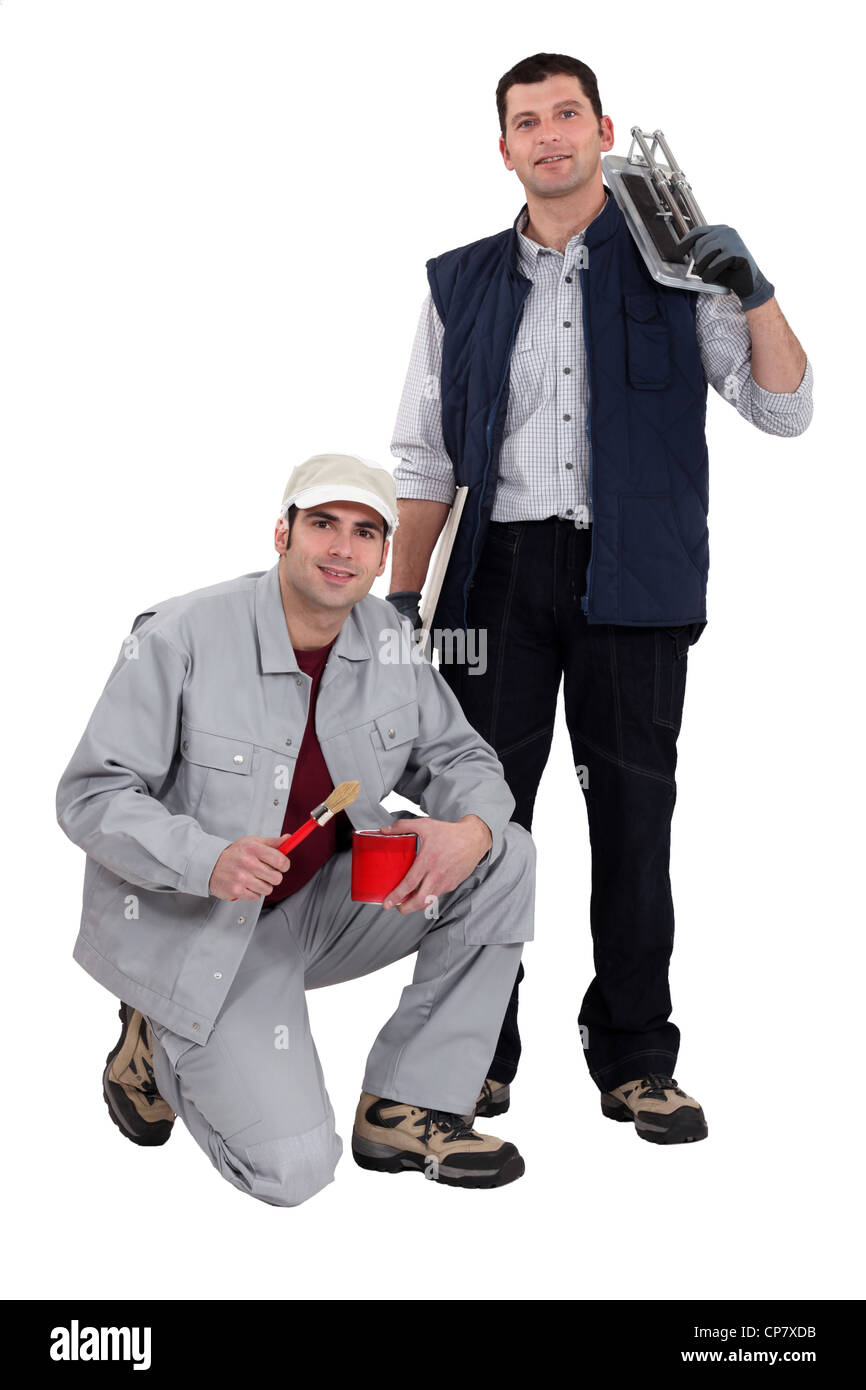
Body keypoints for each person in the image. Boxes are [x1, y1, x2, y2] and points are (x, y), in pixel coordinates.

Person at [387, 53, 813, 1145]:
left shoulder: (679, 265)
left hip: (635, 575)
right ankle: (473, 1051)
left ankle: (633, 1056)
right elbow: (424, 460)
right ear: (503, 148)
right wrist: (399, 603)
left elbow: (783, 410)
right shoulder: (458, 283)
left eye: (564, 114)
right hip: (491, 575)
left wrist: (751, 289)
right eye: (524, 121)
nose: (547, 135)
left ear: (601, 127)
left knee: (633, 820)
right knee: (478, 822)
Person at [56, 454, 536, 1204]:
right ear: (281, 533)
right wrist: (206, 859)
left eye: (364, 533)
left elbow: (457, 754)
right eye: (322, 525)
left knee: (504, 852)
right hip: (203, 932)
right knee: (291, 1173)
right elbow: (91, 795)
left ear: (383, 556)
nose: (341, 549)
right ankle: (155, 1031)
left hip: (323, 909)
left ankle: (406, 1105)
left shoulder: (386, 638)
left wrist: (471, 827)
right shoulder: (181, 634)